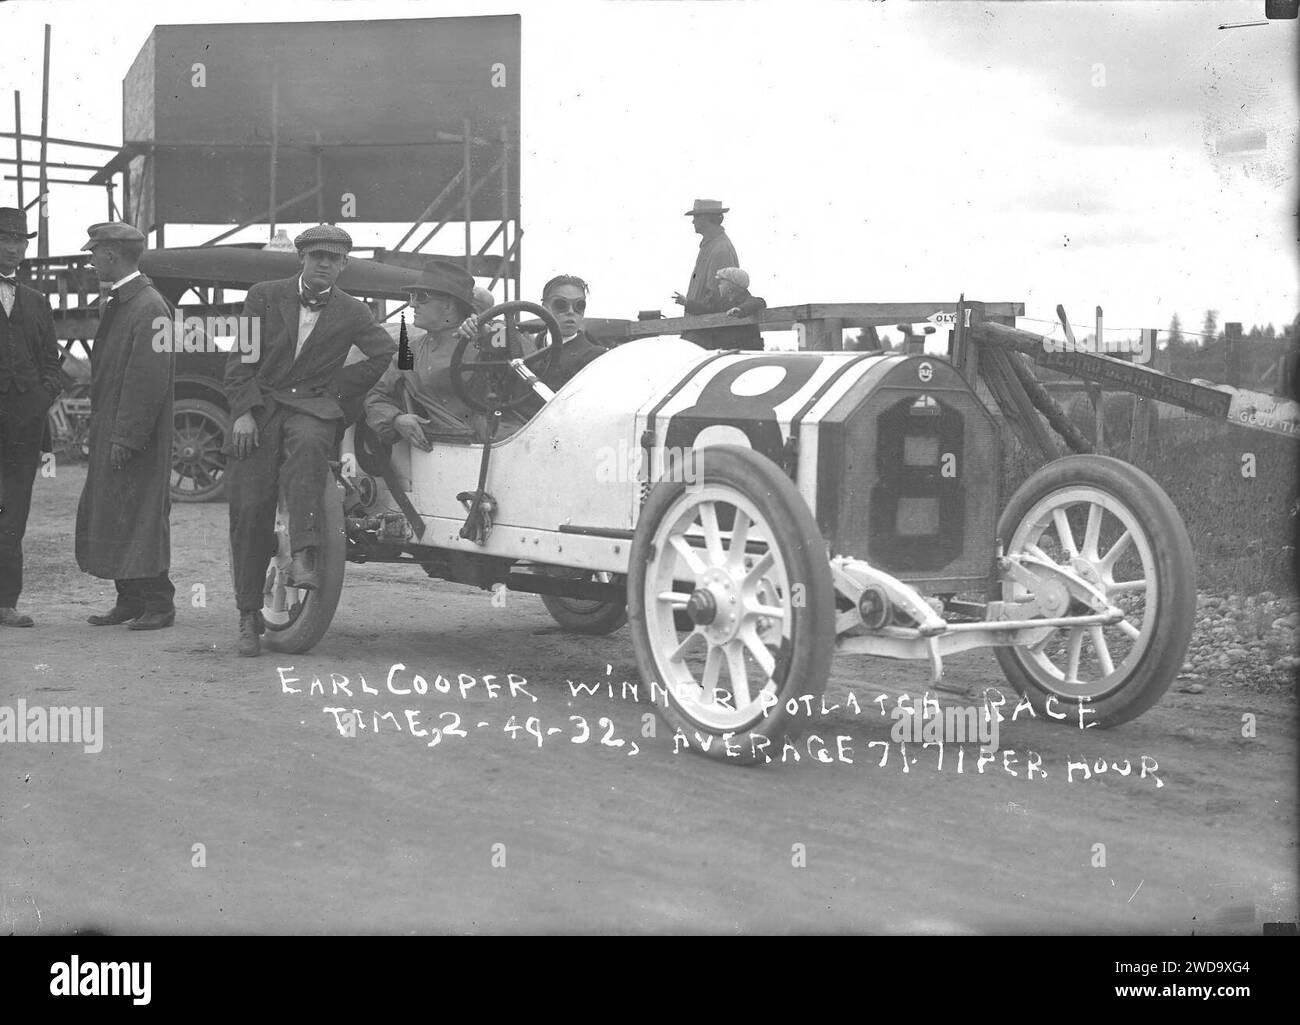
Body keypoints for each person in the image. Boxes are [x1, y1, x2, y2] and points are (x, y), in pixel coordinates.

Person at [225, 224, 396, 656]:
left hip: (312, 408)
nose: (325, 264)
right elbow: (240, 357)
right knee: (249, 506)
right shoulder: (263, 295)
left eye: (334, 259)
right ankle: (248, 616)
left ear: (343, 265)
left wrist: (334, 390)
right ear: (301, 258)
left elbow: (383, 353)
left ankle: (303, 552)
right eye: (317, 256)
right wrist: (242, 412)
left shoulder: (354, 312)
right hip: (260, 409)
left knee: (308, 451)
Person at [74, 222, 176, 630]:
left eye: (94, 252)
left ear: (112, 254)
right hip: (114, 430)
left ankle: (160, 604)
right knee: (118, 510)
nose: (92, 259)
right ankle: (130, 600)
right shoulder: (125, 302)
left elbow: (147, 380)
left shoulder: (148, 306)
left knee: (141, 513)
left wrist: (127, 437)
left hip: (135, 435)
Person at [0, 207, 61, 627]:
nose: (13, 248)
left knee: (13, 514)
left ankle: (6, 603)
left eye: (19, 241)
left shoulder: (38, 302)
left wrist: (40, 399)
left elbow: (52, 364)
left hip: (24, 426)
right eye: (5, 240)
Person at [454, 273, 607, 417]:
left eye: (579, 306)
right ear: (545, 307)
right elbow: (495, 341)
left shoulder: (596, 358)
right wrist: (479, 330)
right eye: (561, 304)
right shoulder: (525, 343)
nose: (571, 312)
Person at [364, 261, 479, 452]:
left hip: (498, 448)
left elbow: (530, 368)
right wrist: (396, 419)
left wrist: (488, 331)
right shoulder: (411, 352)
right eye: (412, 296)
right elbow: (376, 397)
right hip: (442, 451)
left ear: (448, 306)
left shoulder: (488, 339)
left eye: (421, 297)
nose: (412, 304)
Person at [672, 198, 739, 344]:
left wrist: (688, 304)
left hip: (709, 336)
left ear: (707, 218)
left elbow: (718, 300)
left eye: (696, 217)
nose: (693, 222)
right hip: (700, 331)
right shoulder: (710, 246)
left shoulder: (720, 250)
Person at [705, 267, 767, 351]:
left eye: (721, 283)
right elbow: (706, 308)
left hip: (747, 353)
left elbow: (759, 302)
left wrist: (740, 309)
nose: (718, 286)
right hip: (730, 353)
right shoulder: (723, 303)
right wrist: (686, 303)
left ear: (730, 286)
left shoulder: (747, 300)